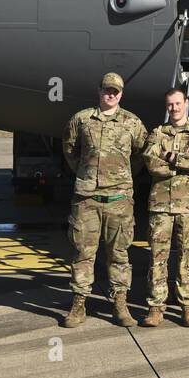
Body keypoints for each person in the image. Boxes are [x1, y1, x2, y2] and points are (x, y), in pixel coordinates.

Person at [61, 72, 148, 328]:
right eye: (107, 90)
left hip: (119, 199)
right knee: (82, 253)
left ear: (121, 94)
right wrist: (85, 173)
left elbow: (140, 155)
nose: (111, 94)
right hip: (87, 198)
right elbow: (69, 149)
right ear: (99, 91)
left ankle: (120, 304)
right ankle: (78, 304)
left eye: (116, 91)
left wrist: (121, 176)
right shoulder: (82, 119)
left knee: (119, 254)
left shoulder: (132, 123)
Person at [141, 87, 189, 327]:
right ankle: (156, 307)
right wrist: (182, 161)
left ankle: (188, 307)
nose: (174, 108)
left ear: (187, 103)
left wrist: (171, 156)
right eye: (170, 104)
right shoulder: (157, 133)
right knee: (157, 258)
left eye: (178, 103)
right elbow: (151, 163)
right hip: (161, 205)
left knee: (188, 258)